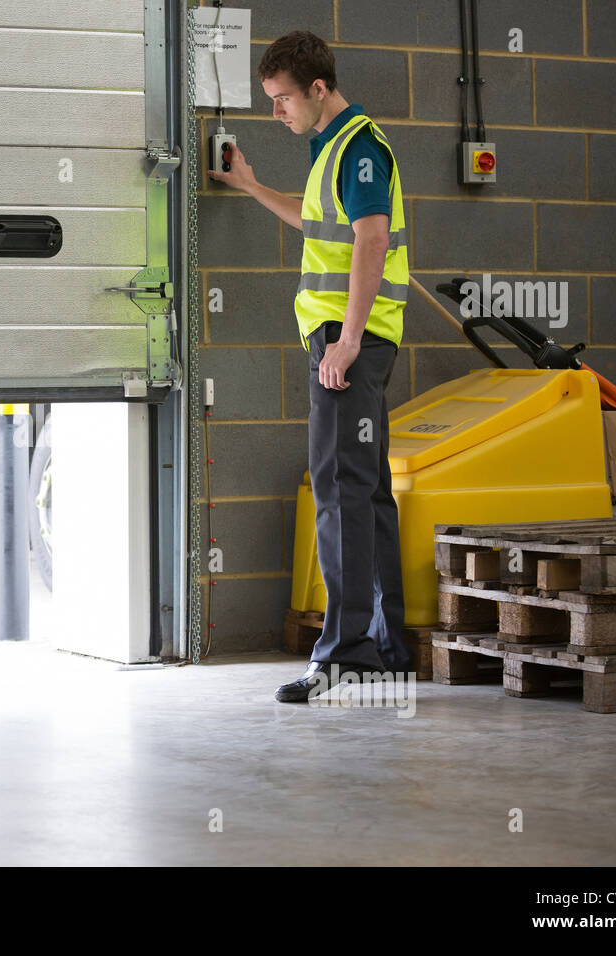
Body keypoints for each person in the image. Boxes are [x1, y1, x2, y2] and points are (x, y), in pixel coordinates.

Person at [208, 31, 412, 702]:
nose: (277, 113)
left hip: (348, 343)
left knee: (339, 492)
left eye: (283, 99)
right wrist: (251, 184)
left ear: (318, 89)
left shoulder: (358, 150)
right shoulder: (333, 149)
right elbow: (316, 223)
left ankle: (347, 656)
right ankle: (385, 646)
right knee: (367, 491)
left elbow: (372, 239)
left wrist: (347, 340)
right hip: (349, 339)